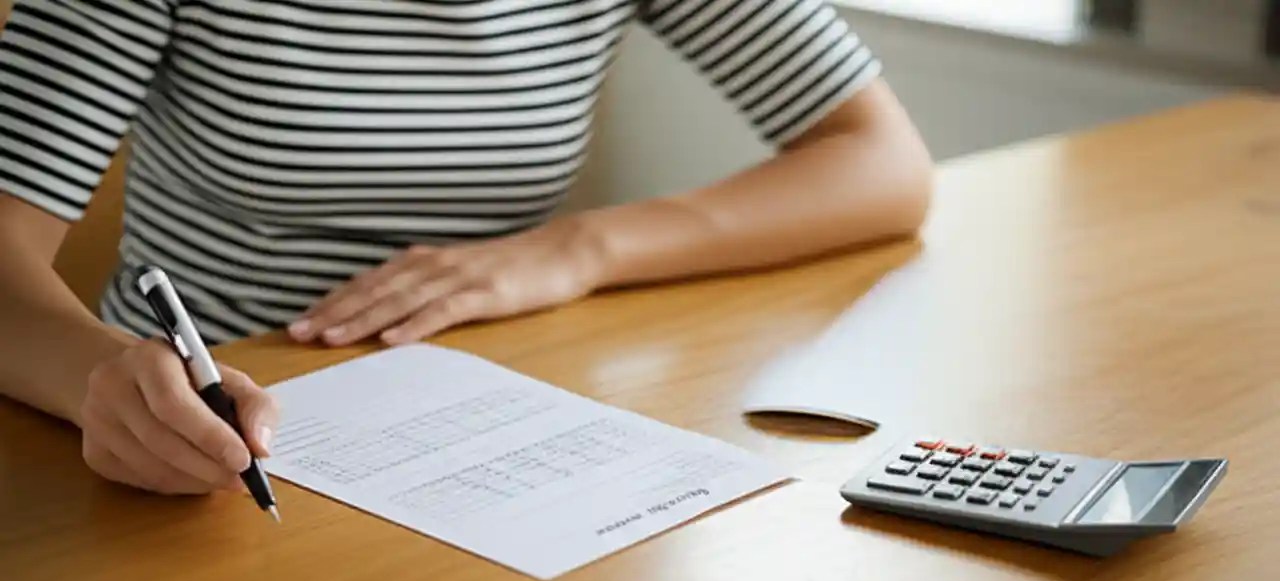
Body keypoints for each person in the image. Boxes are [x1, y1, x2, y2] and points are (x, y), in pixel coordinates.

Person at [0, 0, 932, 496]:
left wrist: (580, 247)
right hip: (200, 434)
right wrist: (108, 376)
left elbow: (883, 162)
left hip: (478, 437)